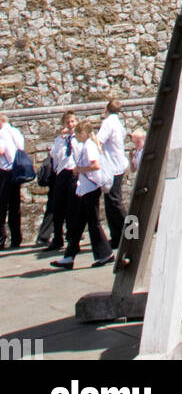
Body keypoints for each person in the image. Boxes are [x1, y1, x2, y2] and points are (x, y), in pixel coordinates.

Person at [50, 121, 113, 269]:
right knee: (78, 224)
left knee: (93, 223)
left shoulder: (89, 146)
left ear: (84, 133)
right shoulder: (86, 145)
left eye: (78, 133)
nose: (77, 136)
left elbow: (95, 165)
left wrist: (79, 169)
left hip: (90, 188)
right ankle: (69, 257)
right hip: (85, 188)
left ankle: (105, 254)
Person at [44, 111, 79, 252]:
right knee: (58, 207)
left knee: (72, 207)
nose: (70, 124)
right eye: (68, 122)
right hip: (62, 172)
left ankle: (72, 238)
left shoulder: (79, 138)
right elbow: (54, 154)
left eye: (72, 121)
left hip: (74, 172)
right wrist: (62, 138)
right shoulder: (60, 139)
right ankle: (57, 238)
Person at [97, 99, 128, 249]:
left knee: (115, 202)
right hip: (117, 165)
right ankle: (116, 237)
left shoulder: (108, 123)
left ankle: (131, 233)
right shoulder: (118, 123)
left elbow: (99, 141)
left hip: (112, 167)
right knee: (110, 202)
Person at [0, 111, 25, 249]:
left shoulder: (2, 133)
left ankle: (1, 239)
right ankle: (16, 239)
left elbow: (2, 150)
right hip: (16, 171)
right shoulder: (15, 132)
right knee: (14, 207)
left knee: (2, 207)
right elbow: (21, 147)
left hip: (4, 172)